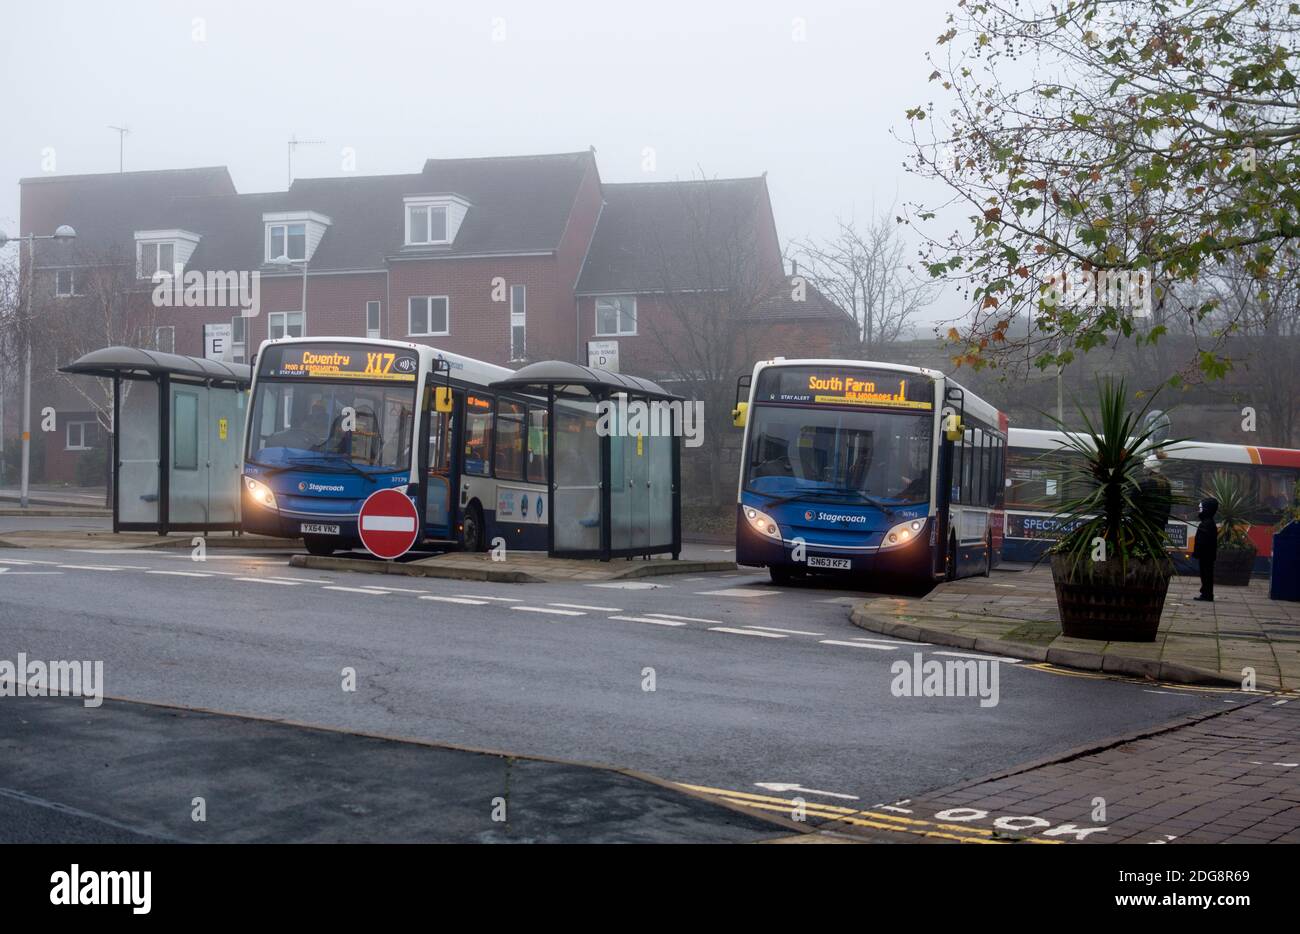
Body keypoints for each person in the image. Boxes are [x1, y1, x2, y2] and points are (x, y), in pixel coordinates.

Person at [1193, 497, 1218, 602]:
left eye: (1201, 508)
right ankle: (1206, 593)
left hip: (1205, 555)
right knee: (1206, 574)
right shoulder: (1209, 522)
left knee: (1206, 574)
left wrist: (1197, 552)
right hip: (1208, 554)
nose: (1199, 510)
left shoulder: (1206, 524)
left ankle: (1206, 594)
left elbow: (1202, 541)